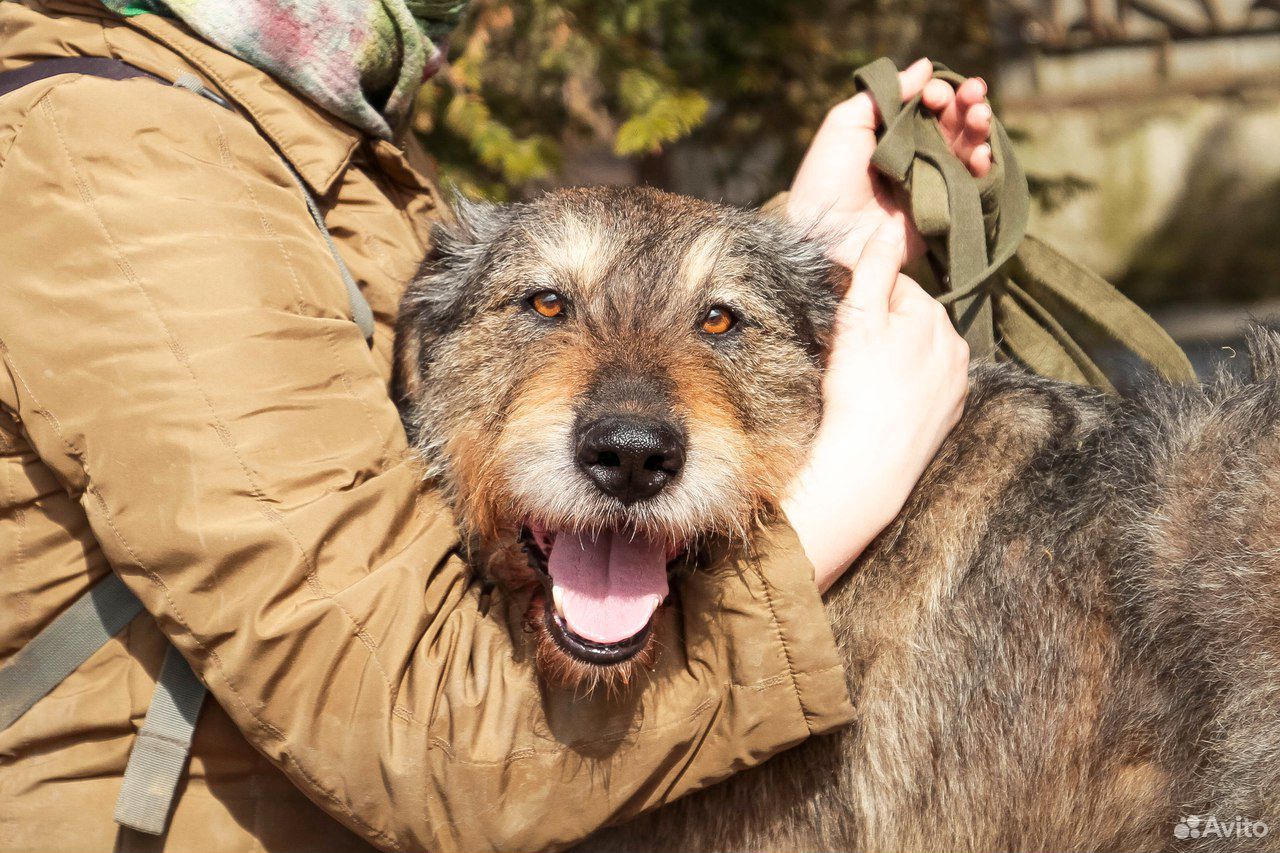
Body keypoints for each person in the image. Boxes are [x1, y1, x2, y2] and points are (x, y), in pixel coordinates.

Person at [0, 1, 991, 850]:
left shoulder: (287, 110)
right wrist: (840, 497)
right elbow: (405, 727)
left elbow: (534, 374)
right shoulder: (122, 148)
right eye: (546, 302)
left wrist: (793, 252)